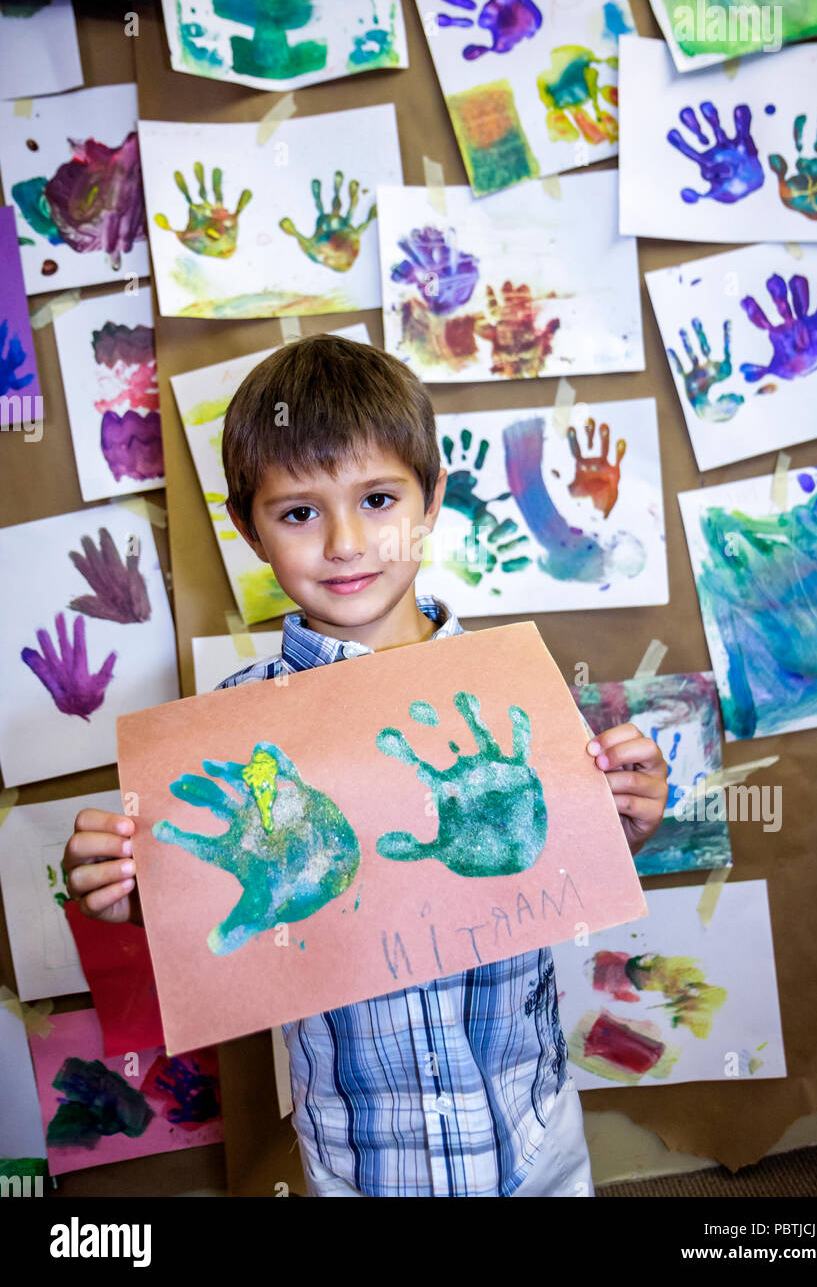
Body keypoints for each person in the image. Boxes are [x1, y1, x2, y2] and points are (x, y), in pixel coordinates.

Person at [63, 334, 668, 1198]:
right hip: (359, 1157)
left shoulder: (515, 699)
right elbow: (207, 911)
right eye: (300, 513)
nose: (346, 543)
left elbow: (564, 868)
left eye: (379, 499)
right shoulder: (237, 739)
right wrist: (133, 895)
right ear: (249, 529)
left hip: (532, 1134)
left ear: (432, 504)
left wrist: (629, 822)